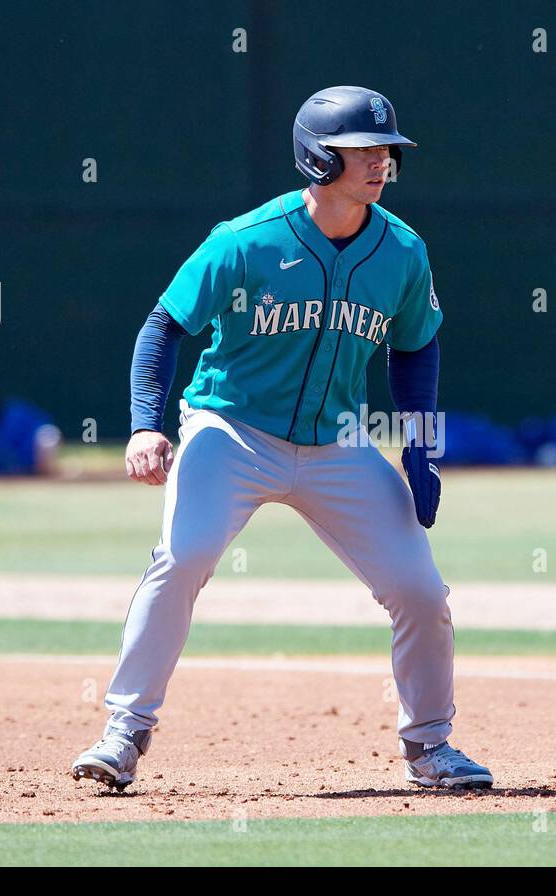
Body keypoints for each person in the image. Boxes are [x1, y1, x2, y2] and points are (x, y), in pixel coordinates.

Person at [71, 85, 492, 793]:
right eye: (361, 149)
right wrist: (147, 423)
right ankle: (123, 734)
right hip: (231, 431)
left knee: (421, 590)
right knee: (185, 556)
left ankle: (431, 747)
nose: (380, 162)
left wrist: (421, 445)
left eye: (385, 149)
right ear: (317, 158)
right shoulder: (243, 241)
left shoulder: (403, 251)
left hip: (337, 443)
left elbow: (417, 347)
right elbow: (164, 326)